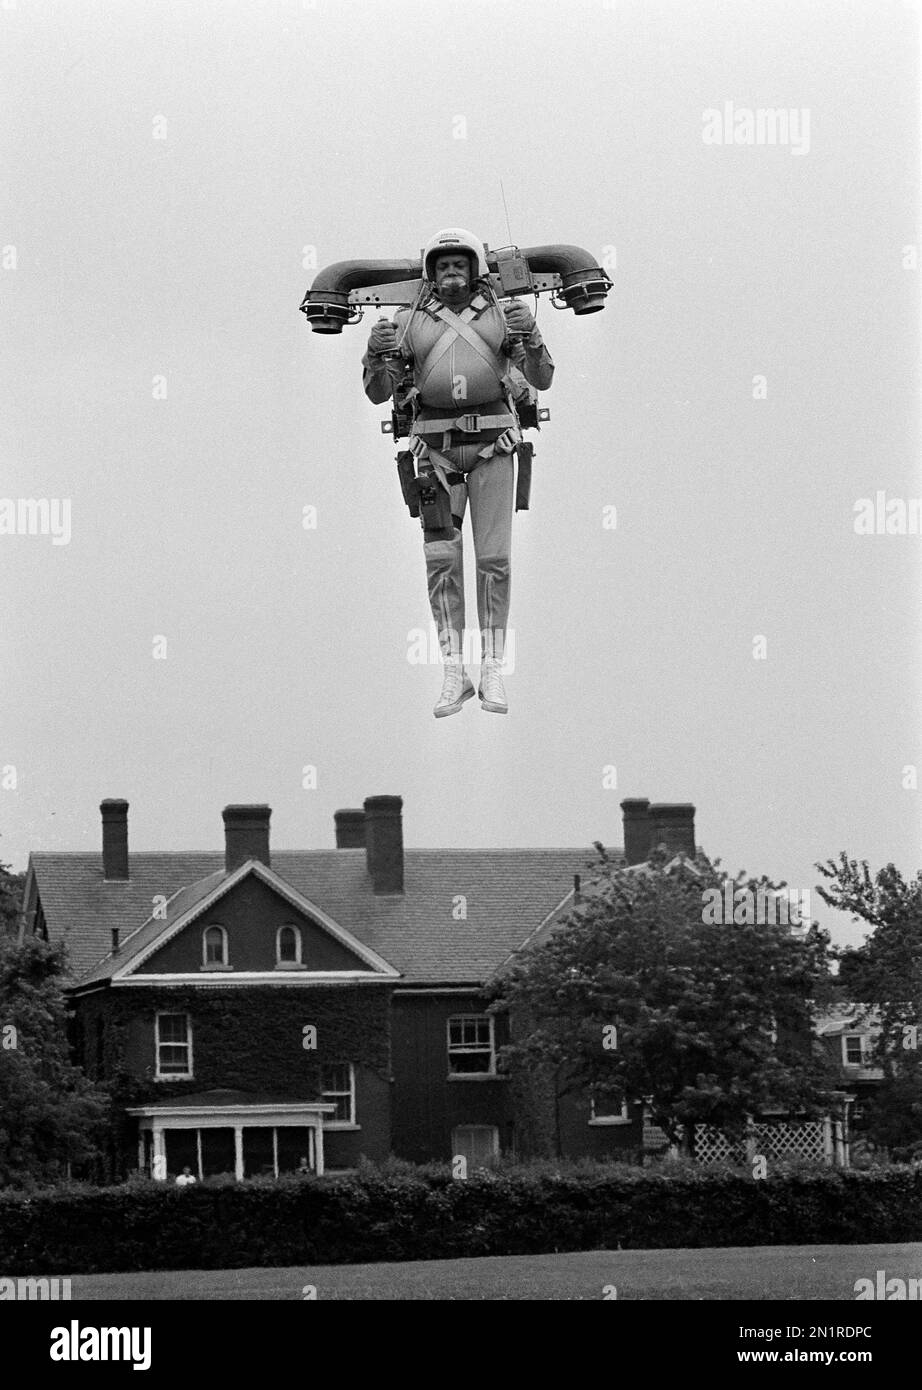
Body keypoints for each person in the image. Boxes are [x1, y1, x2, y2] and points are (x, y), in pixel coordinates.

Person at [363, 227, 554, 717]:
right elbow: (379, 392)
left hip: (494, 446)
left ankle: (492, 666)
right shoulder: (406, 323)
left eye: (459, 264)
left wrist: (530, 336)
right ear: (431, 272)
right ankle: (453, 668)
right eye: (443, 265)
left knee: (495, 561)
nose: (452, 272)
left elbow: (542, 378)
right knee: (441, 562)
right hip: (435, 453)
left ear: (474, 270)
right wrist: (376, 352)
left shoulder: (504, 315)